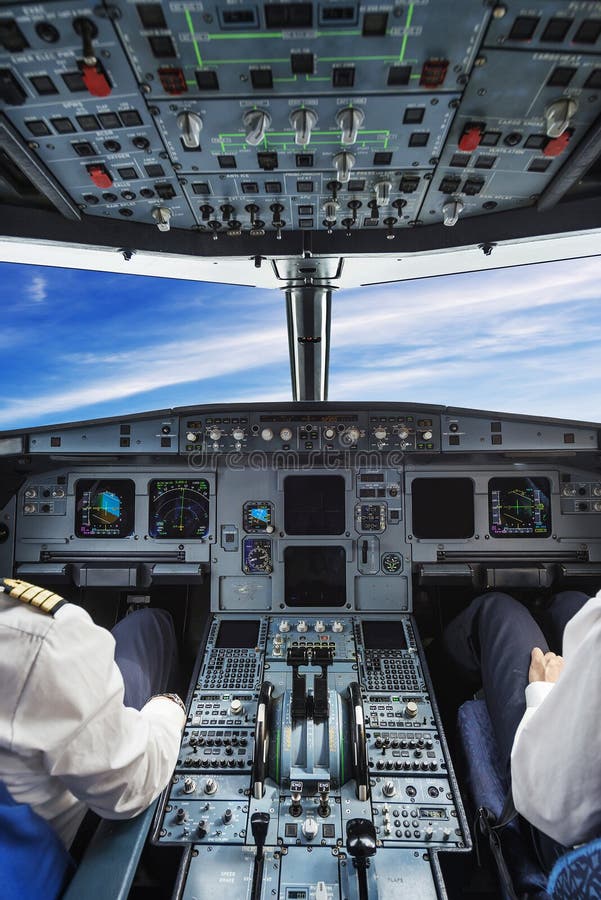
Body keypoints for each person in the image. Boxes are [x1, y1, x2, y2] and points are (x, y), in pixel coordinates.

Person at [0, 577, 186, 850]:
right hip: (47, 853)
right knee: (147, 624)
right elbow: (132, 785)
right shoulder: (35, 634)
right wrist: (169, 706)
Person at [444, 588, 601, 872]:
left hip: (565, 836)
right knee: (572, 604)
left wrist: (547, 694)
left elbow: (556, 799)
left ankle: (436, 702)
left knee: (499, 611)